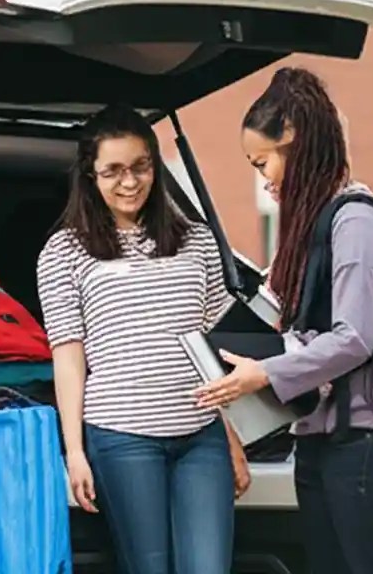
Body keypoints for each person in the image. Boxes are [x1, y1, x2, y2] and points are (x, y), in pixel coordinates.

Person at [195, 67, 373, 574]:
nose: (264, 180)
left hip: (370, 443)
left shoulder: (358, 220)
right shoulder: (316, 226)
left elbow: (355, 338)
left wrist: (266, 373)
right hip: (323, 440)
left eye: (263, 162)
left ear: (294, 141)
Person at [36, 103, 247, 574]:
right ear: (90, 176)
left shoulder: (198, 241)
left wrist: (235, 435)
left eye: (140, 166)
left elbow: (217, 349)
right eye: (112, 171)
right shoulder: (64, 251)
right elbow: (69, 359)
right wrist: (74, 452)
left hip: (201, 437)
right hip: (121, 438)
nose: (129, 182)